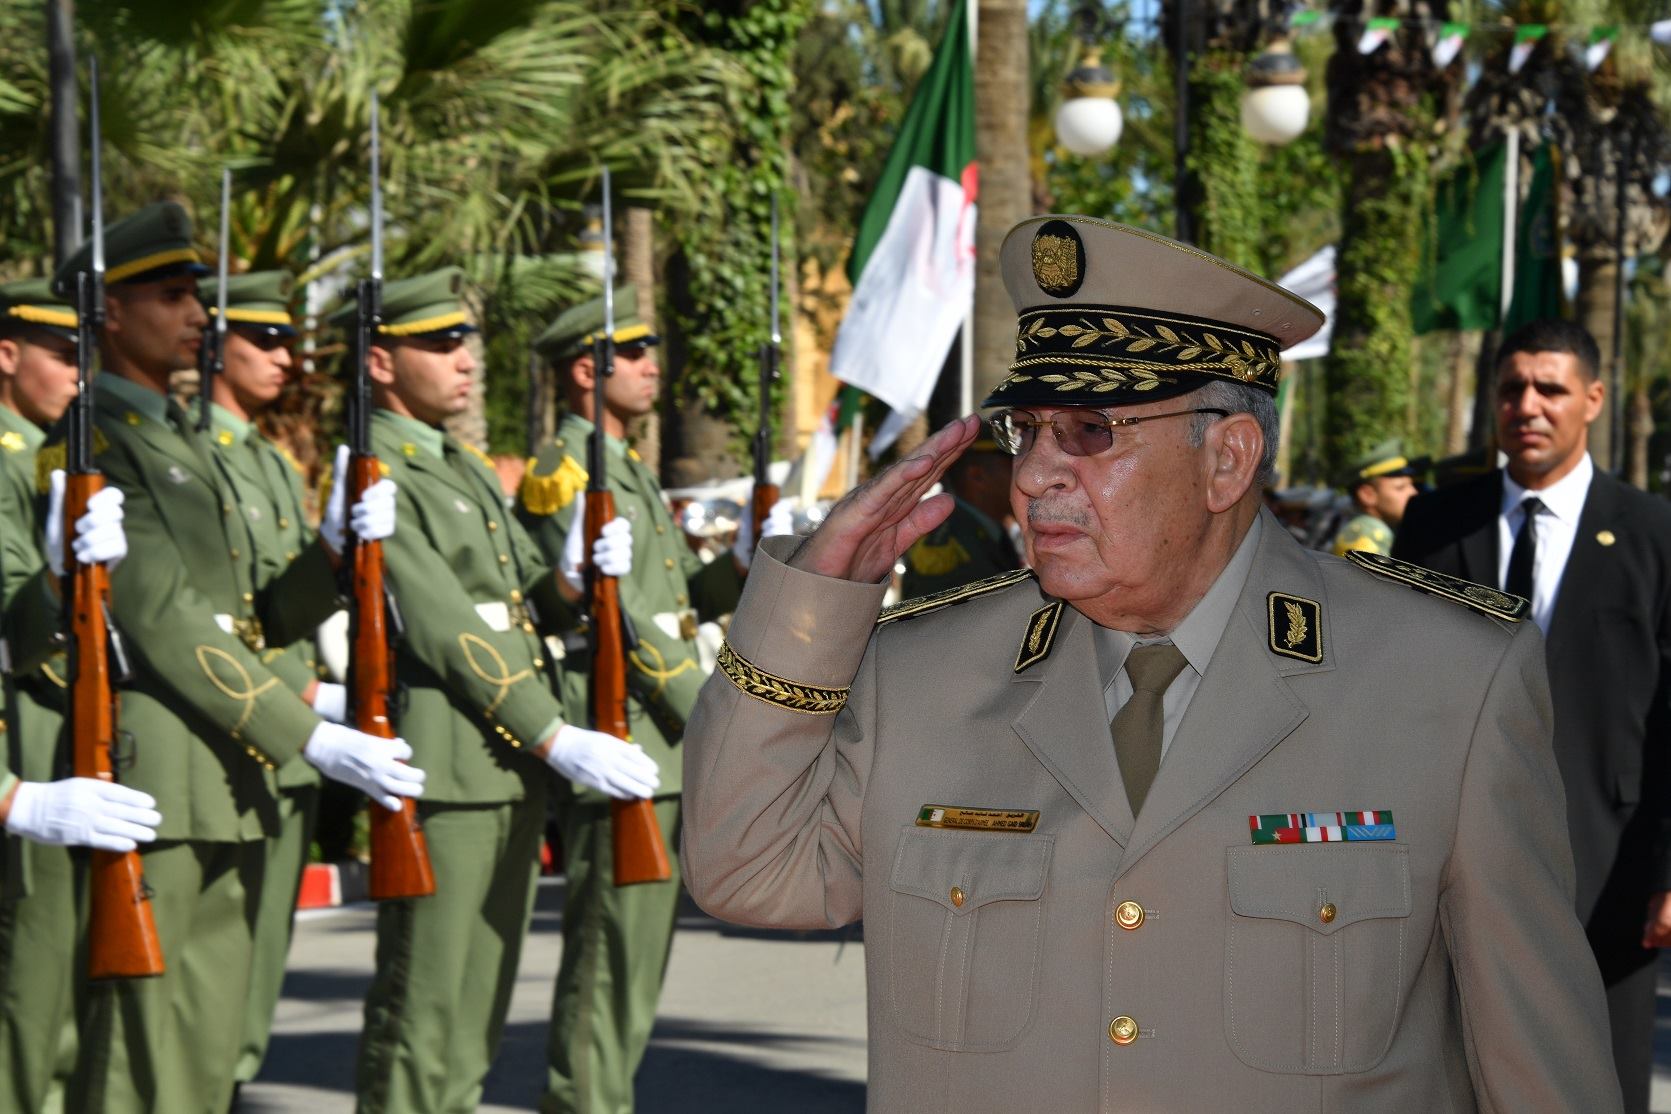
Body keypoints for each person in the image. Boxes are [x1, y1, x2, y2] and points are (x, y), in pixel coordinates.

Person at [680, 216, 1621, 1110]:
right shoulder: (924, 673)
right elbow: (743, 870)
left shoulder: (1445, 680)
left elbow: (1535, 1063)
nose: (1036, 473)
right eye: (1028, 431)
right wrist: (805, 610)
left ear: (1227, 458)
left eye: (1089, 431)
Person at [48, 202, 424, 1114]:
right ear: (108, 312)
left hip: (231, 774)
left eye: (195, 296)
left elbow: (253, 615)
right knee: (143, 1055)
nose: (196, 315)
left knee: (209, 1051)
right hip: (163, 780)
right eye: (172, 296)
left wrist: (334, 555)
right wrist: (308, 735)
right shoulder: (99, 441)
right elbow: (165, 618)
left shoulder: (186, 440)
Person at [337, 268, 644, 1114]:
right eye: (438, 344)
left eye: (462, 339)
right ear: (380, 362)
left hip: (500, 768)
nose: (464, 359)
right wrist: (553, 731)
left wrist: (572, 582)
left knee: (474, 1015)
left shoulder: (461, 466)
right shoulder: (373, 471)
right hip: (444, 770)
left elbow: (516, 607)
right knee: (423, 1016)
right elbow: (445, 626)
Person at [516, 287, 786, 1114]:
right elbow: (618, 621)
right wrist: (712, 711)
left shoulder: (627, 466)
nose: (649, 366)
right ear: (583, 372)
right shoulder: (565, 474)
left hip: (655, 741)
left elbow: (666, 606)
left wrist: (733, 567)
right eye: (631, 355)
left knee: (632, 973)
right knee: (607, 970)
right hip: (625, 736)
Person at [1394, 318, 1671, 1114]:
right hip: (1454, 864)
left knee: (1601, 1084)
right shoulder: (1435, 524)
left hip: (1606, 865)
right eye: (1511, 388)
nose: (1528, 405)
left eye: (1549, 388)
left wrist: (1664, 876)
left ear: (1591, 398)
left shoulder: (1654, 534)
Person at [0, 277, 160, 1114]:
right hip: (22, 757)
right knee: (26, 1029)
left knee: (59, 1020)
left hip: (62, 751)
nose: (78, 374)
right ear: (6, 354)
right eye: (64, 356)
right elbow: (11, 626)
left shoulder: (43, 461)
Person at [193, 270, 340, 1094]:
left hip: (287, 738)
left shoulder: (275, 464)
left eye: (288, 339)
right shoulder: (197, 458)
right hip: (246, 727)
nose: (285, 356)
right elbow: (220, 619)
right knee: (214, 965)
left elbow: (283, 609)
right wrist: (307, 697)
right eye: (265, 339)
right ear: (215, 347)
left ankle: (233, 1086)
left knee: (258, 964)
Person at [899, 435, 1020, 599]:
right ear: (977, 476)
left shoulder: (991, 531)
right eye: (1013, 465)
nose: (1025, 474)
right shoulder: (947, 545)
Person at [1328, 439, 1417, 557]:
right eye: (1400, 488)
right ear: (1367, 495)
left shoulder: (1377, 528)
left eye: (1411, 485)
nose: (1414, 492)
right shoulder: (1367, 537)